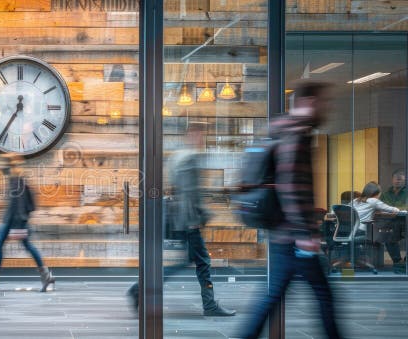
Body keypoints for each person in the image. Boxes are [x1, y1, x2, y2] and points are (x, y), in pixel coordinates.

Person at [237, 80, 341, 339]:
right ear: (310, 102)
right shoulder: (297, 133)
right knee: (323, 296)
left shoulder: (280, 129)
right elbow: (291, 183)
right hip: (295, 236)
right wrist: (305, 232)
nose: (326, 107)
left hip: (282, 232)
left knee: (274, 295)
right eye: (324, 102)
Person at [127, 122, 236, 317]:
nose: (203, 139)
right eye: (201, 135)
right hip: (189, 220)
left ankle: (139, 288)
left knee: (191, 261)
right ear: (193, 135)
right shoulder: (190, 158)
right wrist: (197, 218)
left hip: (182, 218)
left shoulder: (178, 157)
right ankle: (209, 305)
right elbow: (189, 192)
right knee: (202, 261)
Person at [0, 153, 54, 292]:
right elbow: (27, 204)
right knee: (16, 246)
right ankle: (45, 276)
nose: (1, 168)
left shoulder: (16, 180)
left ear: (9, 166)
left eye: (4, 166)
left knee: (4, 245)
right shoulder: (18, 179)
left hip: (13, 221)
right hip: (14, 220)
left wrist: (15, 227)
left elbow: (17, 205)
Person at [352, 182, 406, 273]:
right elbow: (393, 210)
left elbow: (334, 211)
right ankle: (398, 262)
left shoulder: (355, 200)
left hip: (351, 232)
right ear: (376, 193)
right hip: (363, 232)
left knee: (386, 232)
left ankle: (398, 261)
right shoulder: (373, 201)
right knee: (389, 234)